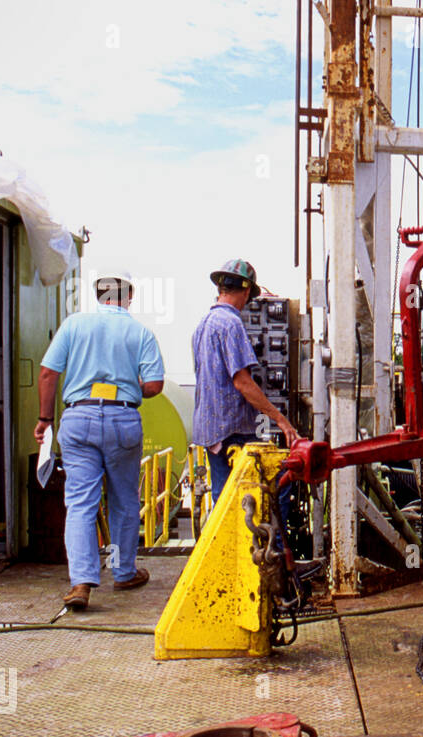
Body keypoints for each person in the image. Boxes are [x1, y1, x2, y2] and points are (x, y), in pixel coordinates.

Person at [36, 269, 165, 611]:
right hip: (123, 419)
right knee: (123, 500)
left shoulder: (74, 324)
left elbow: (48, 373)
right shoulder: (140, 332)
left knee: (80, 503)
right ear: (129, 297)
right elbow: (154, 386)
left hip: (78, 418)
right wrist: (125, 385)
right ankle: (123, 571)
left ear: (98, 295)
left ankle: (81, 582)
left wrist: (45, 419)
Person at [191, 259, 300, 505]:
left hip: (210, 429)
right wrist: (281, 419)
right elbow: (243, 383)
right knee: (280, 482)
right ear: (247, 292)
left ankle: (224, 541)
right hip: (233, 429)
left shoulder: (202, 326)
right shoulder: (231, 324)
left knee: (224, 495)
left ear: (220, 288)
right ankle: (274, 542)